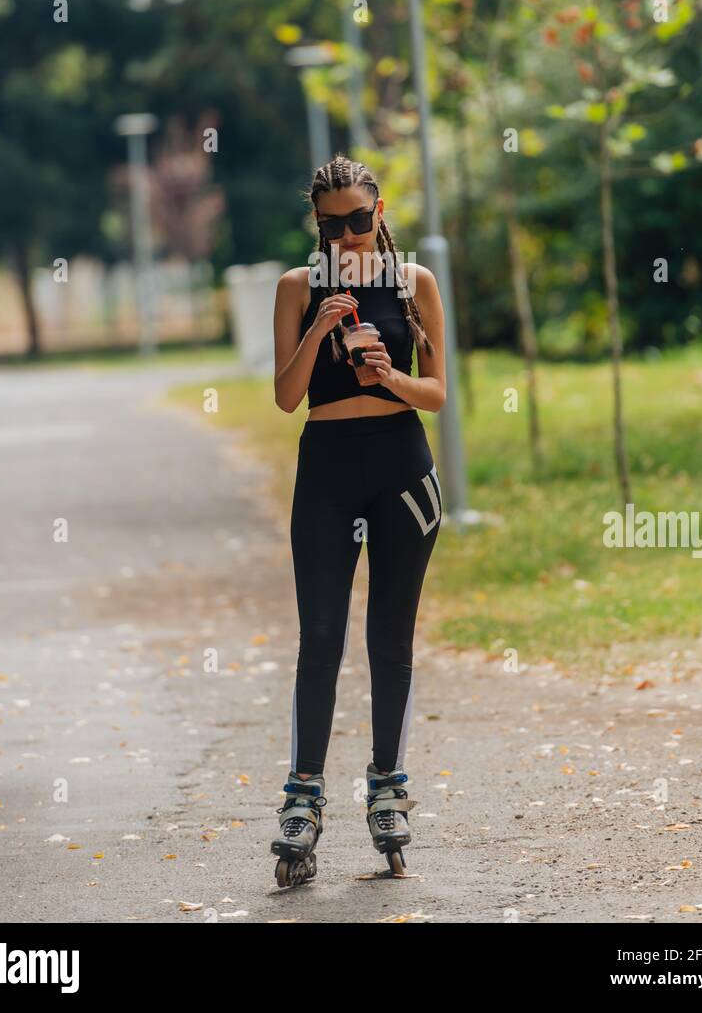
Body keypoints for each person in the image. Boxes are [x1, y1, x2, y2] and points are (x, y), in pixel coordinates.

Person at [269, 153, 447, 883]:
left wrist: (390, 376)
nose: (346, 235)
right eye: (330, 225)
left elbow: (436, 391)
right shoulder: (294, 287)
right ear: (317, 227)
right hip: (328, 468)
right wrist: (318, 330)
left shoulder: (414, 285)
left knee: (389, 638)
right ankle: (303, 797)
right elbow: (285, 397)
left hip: (403, 467)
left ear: (379, 209)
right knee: (320, 636)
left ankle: (387, 788)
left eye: (357, 219)